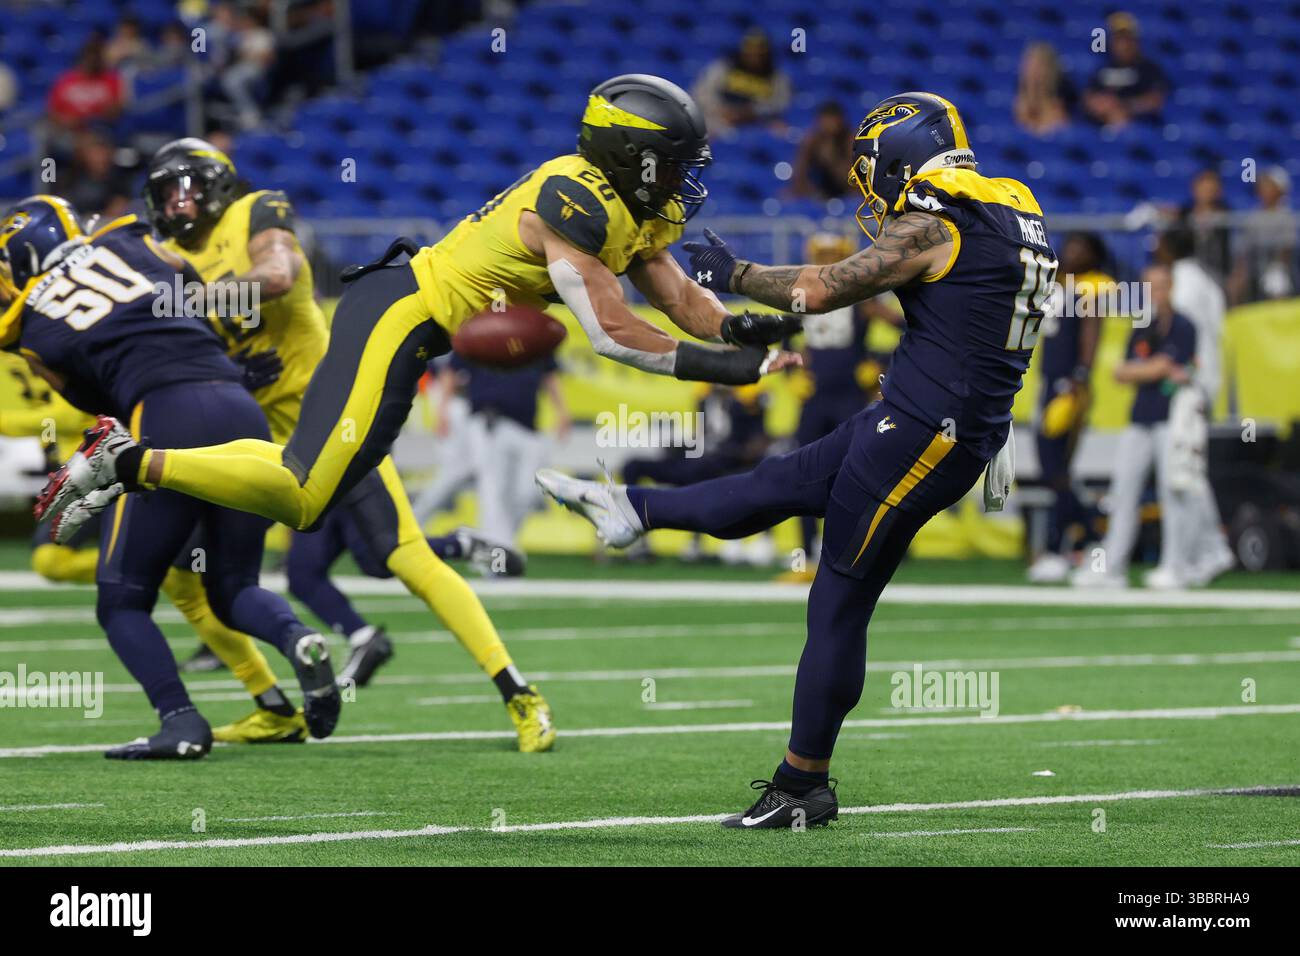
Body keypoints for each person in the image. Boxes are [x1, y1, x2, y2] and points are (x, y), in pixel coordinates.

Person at [41, 76, 799, 736]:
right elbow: (612, 334)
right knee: (304, 497)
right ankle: (130, 461)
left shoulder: (632, 207)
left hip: (408, 328)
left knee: (326, 505)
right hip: (398, 312)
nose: (682, 176)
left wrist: (742, 333)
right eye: (670, 159)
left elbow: (675, 294)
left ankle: (133, 463)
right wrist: (733, 370)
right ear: (629, 155)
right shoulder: (575, 200)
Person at [539, 92, 1054, 828]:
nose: (871, 187)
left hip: (925, 434)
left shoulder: (942, 224)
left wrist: (733, 273)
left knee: (837, 600)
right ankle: (632, 510)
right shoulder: (1013, 205)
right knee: (774, 485)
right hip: (922, 421)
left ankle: (801, 784)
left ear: (904, 153)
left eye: (875, 168)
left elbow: (820, 290)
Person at [137, 138, 552, 746]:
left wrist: (189, 299)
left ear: (218, 185)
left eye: (187, 188)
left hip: (331, 419)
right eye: (165, 193)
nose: (177, 205)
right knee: (198, 575)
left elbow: (277, 274)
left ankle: (519, 692)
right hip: (250, 436)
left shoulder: (253, 213)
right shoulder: (166, 257)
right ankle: (271, 704)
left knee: (402, 556)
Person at [0, 195, 340, 759]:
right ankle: (298, 638)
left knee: (122, 598)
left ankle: (181, 722)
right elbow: (190, 284)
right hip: (237, 400)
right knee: (234, 587)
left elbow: (89, 398)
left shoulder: (31, 321)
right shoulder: (126, 239)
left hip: (163, 417)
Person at [1071, 264, 1197, 588]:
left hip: (1173, 421)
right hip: (1140, 418)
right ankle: (1111, 567)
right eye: (1149, 286)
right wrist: (1153, 368)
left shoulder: (1183, 325)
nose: (1154, 292)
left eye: (1160, 285)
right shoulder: (1144, 325)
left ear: (1171, 286)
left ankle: (1175, 566)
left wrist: (1150, 368)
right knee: (1123, 492)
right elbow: (1122, 371)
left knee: (1174, 493)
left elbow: (1167, 366)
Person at [1149, 228, 1234, 587]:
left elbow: (1178, 334)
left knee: (1184, 472)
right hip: (1206, 382)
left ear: (1169, 248)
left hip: (1188, 385)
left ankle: (1205, 551)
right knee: (1188, 470)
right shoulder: (1207, 281)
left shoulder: (1182, 283)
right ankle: (1210, 549)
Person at [1026, 233, 1111, 583]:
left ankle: (1083, 541)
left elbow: (1091, 333)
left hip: (1069, 386)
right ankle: (1079, 540)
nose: (1073, 251)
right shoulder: (1055, 284)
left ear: (1094, 254)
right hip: (1050, 384)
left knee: (1055, 468)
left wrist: (1079, 379)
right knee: (1054, 470)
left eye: (1082, 246)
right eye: (1071, 245)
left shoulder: (1091, 288)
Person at [456, 351, 571, 547]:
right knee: (493, 492)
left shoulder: (535, 329)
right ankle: (497, 557)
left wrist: (563, 411)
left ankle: (499, 547)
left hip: (527, 427)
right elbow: (455, 370)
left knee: (528, 492)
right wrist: (443, 408)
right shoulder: (481, 326)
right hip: (490, 420)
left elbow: (548, 373)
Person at [692, 29, 791, 132]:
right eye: (751, 51)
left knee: (780, 129)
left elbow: (780, 104)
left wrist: (751, 112)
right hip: (719, 117)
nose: (754, 57)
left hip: (757, 121)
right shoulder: (724, 68)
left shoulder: (776, 77)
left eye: (759, 52)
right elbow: (702, 93)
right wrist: (721, 110)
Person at [1081, 12, 1168, 127]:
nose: (1122, 45)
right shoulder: (1103, 68)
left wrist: (1122, 106)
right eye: (1118, 40)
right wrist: (1099, 104)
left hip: (1139, 125)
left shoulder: (1148, 68)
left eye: (1126, 39)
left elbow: (1155, 100)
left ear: (1135, 42)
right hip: (1103, 123)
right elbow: (1089, 97)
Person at [1228, 167, 1297, 305]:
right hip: (1254, 265)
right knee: (1234, 284)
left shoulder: (1288, 217)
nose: (1264, 190)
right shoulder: (1252, 217)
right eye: (1263, 186)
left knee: (1277, 281)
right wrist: (1240, 271)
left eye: (1269, 185)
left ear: (1280, 189)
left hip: (1278, 266)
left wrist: (1272, 263)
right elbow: (1243, 248)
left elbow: (1287, 249)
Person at [46, 38, 125, 135]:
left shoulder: (111, 80)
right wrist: (64, 120)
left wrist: (89, 118)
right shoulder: (65, 80)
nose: (91, 60)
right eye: (88, 56)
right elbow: (52, 111)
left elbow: (116, 110)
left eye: (95, 56)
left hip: (99, 130)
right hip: (68, 131)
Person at [1177, 168, 1232, 284]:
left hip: (1218, 272)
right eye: (1203, 188)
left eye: (1211, 189)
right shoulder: (1184, 213)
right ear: (1194, 189)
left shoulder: (1228, 215)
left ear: (1219, 191)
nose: (1207, 193)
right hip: (1189, 271)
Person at [790, 102, 854, 200]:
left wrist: (832, 159)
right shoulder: (813, 140)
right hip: (819, 193)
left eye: (832, 120)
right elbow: (799, 177)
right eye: (825, 120)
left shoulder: (849, 140)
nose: (828, 124)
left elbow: (853, 180)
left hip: (848, 193)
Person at [1013, 42, 1072, 136]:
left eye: (1038, 66)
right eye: (1030, 65)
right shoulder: (1018, 105)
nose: (1033, 72)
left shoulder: (1057, 110)